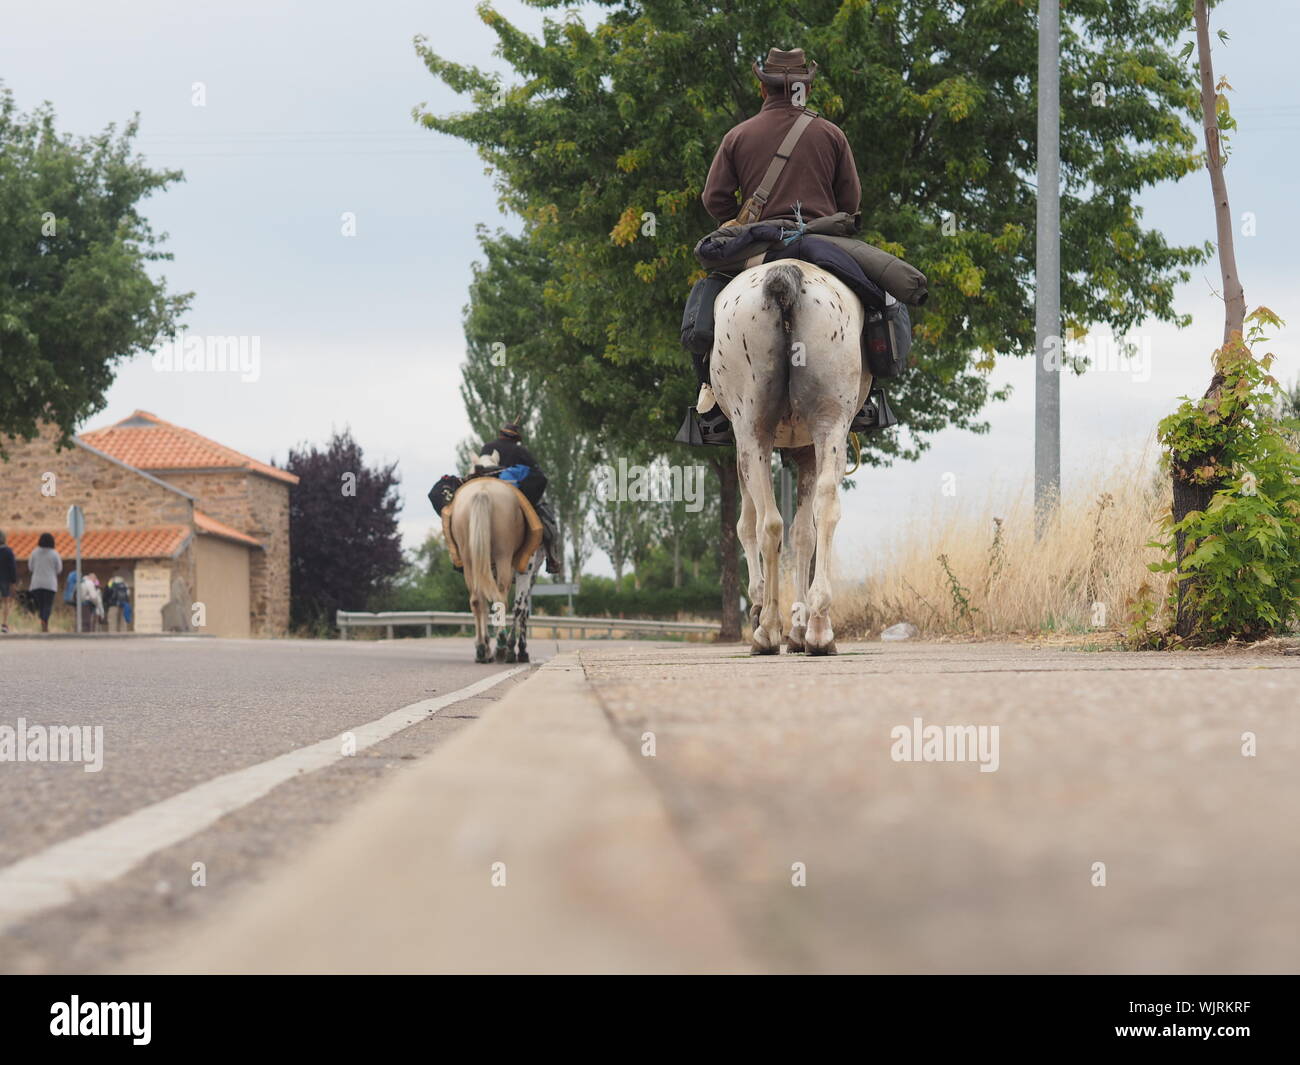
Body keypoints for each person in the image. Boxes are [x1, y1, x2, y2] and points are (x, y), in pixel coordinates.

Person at [686, 47, 885, 442]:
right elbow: (851, 203)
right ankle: (866, 396)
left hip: (757, 246)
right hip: (822, 244)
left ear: (763, 88)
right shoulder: (831, 134)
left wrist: (741, 220)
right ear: (805, 89)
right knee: (878, 301)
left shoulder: (738, 135)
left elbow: (714, 199)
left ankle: (711, 395)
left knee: (704, 302)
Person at [477, 421, 563, 576]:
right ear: (516, 438)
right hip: (513, 493)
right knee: (546, 519)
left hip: (484, 488)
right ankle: (552, 558)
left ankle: (459, 557)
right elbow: (540, 476)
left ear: (500, 434)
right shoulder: (521, 451)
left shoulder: (487, 448)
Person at [28, 532, 63, 633]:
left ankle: (42, 620)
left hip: (36, 584)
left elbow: (30, 567)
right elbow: (59, 569)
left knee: (39, 605)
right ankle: (45, 622)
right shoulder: (54, 553)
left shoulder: (34, 553)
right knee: (47, 605)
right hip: (50, 584)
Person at [0, 530, 17, 633]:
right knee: (6, 602)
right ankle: (5, 625)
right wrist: (13, 581)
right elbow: (12, 567)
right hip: (5, 580)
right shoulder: (8, 551)